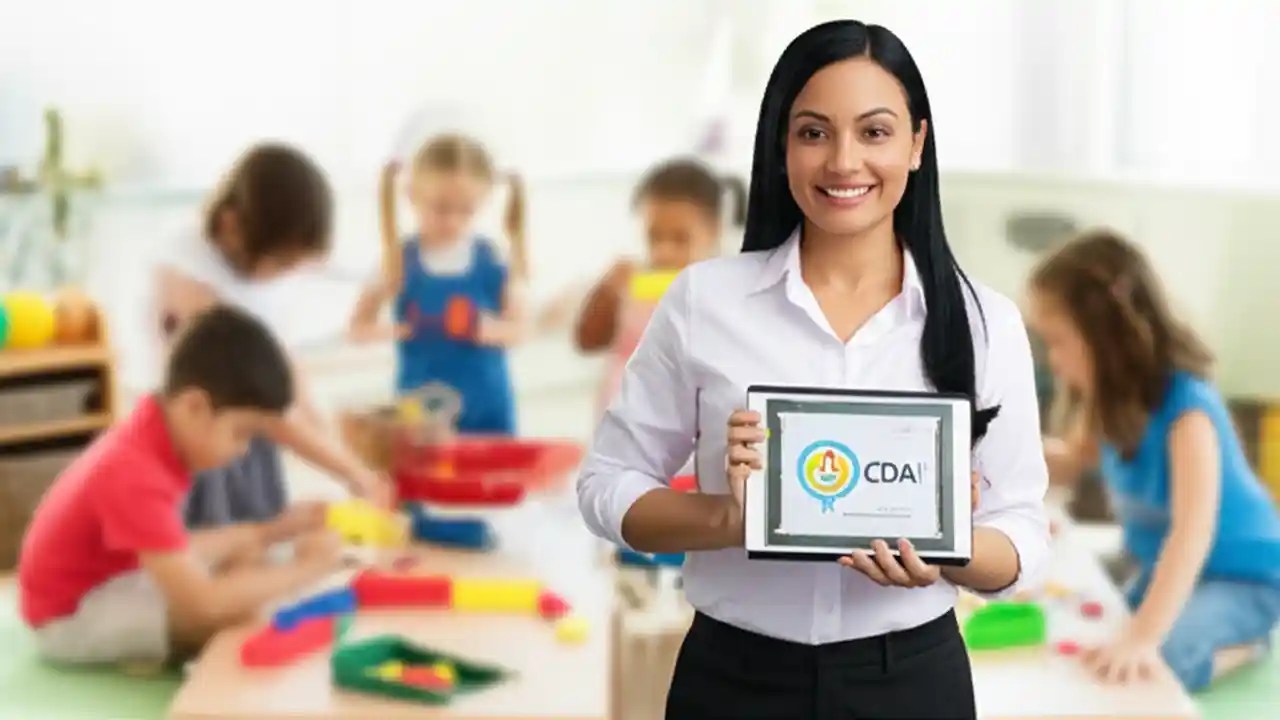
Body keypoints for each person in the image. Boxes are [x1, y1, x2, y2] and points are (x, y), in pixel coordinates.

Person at [577, 20, 1049, 719]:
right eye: (813, 132)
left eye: (875, 132)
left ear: (917, 144)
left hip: (913, 682)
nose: (843, 162)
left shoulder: (987, 322)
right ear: (781, 148)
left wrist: (945, 553)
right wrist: (728, 518)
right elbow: (606, 484)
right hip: (732, 679)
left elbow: (1025, 535)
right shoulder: (705, 302)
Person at [19, 306, 345, 666]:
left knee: (247, 558)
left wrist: (271, 531)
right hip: (70, 618)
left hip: (112, 576)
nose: (244, 450)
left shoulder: (155, 429)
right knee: (240, 614)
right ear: (195, 407)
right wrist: (307, 570)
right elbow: (204, 603)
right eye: (242, 433)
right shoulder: (135, 473)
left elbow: (175, 545)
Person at [1030, 229, 1280, 691]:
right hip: (1163, 566)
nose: (1052, 359)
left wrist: (1142, 637)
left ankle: (1249, 645)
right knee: (1106, 630)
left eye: (1058, 341)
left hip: (1241, 576)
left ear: (1105, 336)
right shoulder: (1107, 403)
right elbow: (1067, 462)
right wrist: (998, 455)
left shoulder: (1188, 411)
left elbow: (1192, 533)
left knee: (1154, 660)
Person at [154, 143, 388, 528]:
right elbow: (272, 410)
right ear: (231, 226)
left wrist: (351, 465)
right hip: (202, 437)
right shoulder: (187, 273)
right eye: (281, 263)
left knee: (260, 538)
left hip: (245, 430)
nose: (285, 275)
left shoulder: (257, 269)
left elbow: (291, 383)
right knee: (216, 548)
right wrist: (351, 472)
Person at [349, 133, 528, 435]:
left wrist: (487, 330)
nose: (453, 221)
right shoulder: (396, 262)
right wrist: (400, 330)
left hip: (488, 409)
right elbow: (357, 328)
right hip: (421, 416)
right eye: (441, 208)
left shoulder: (493, 259)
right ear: (411, 194)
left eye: (466, 211)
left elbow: (520, 328)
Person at [575, 157, 745, 418]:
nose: (663, 252)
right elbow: (587, 341)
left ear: (714, 232)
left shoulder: (725, 288)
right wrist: (606, 293)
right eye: (654, 237)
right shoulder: (632, 285)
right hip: (622, 426)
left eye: (680, 239)